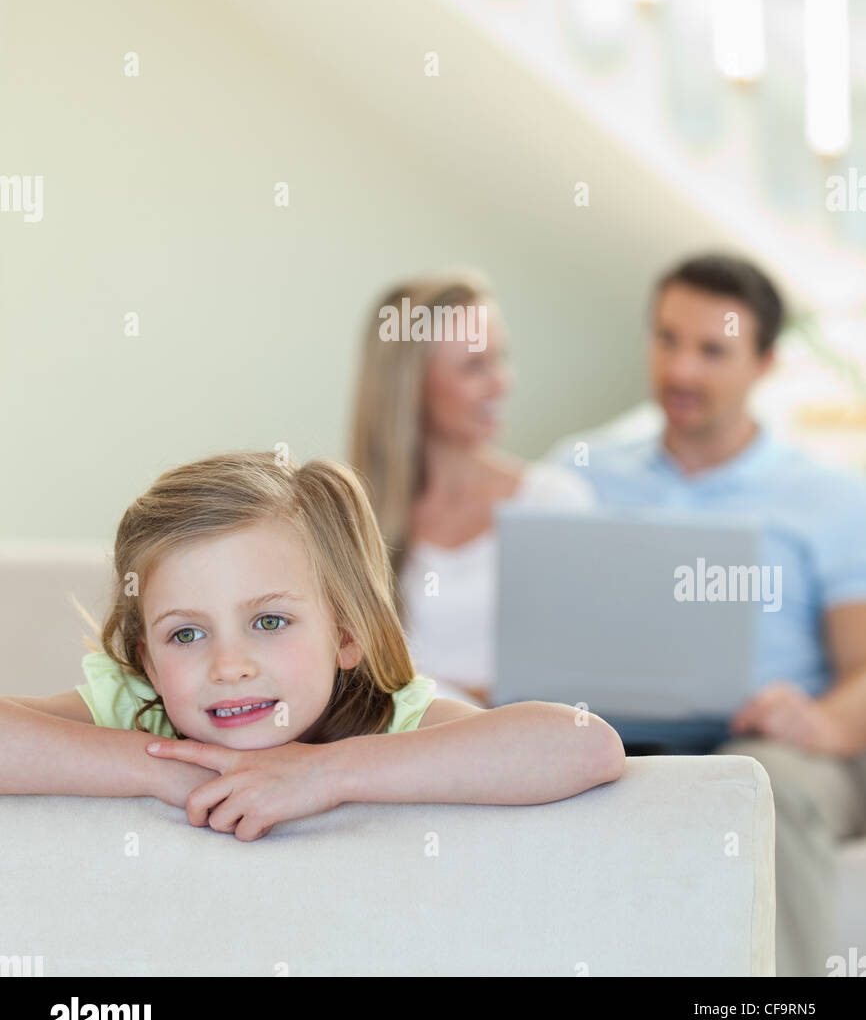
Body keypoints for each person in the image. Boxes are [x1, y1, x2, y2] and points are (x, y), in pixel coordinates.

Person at [0, 451, 624, 839]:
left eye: (269, 622)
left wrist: (326, 773)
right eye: (186, 634)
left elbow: (583, 744)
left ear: (346, 635)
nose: (230, 666)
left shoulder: (394, 720)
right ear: (150, 669)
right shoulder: (141, 713)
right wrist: (160, 771)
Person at [548, 253, 866, 977]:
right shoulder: (579, 474)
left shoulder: (831, 498)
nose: (681, 370)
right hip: (609, 735)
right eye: (667, 340)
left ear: (765, 365)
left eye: (712, 351)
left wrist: (820, 722)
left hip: (776, 747)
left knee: (760, 785)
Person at [349, 272, 594, 707]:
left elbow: (581, 681)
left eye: (501, 359)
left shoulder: (553, 503)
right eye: (474, 367)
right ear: (411, 388)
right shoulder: (350, 516)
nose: (502, 383)